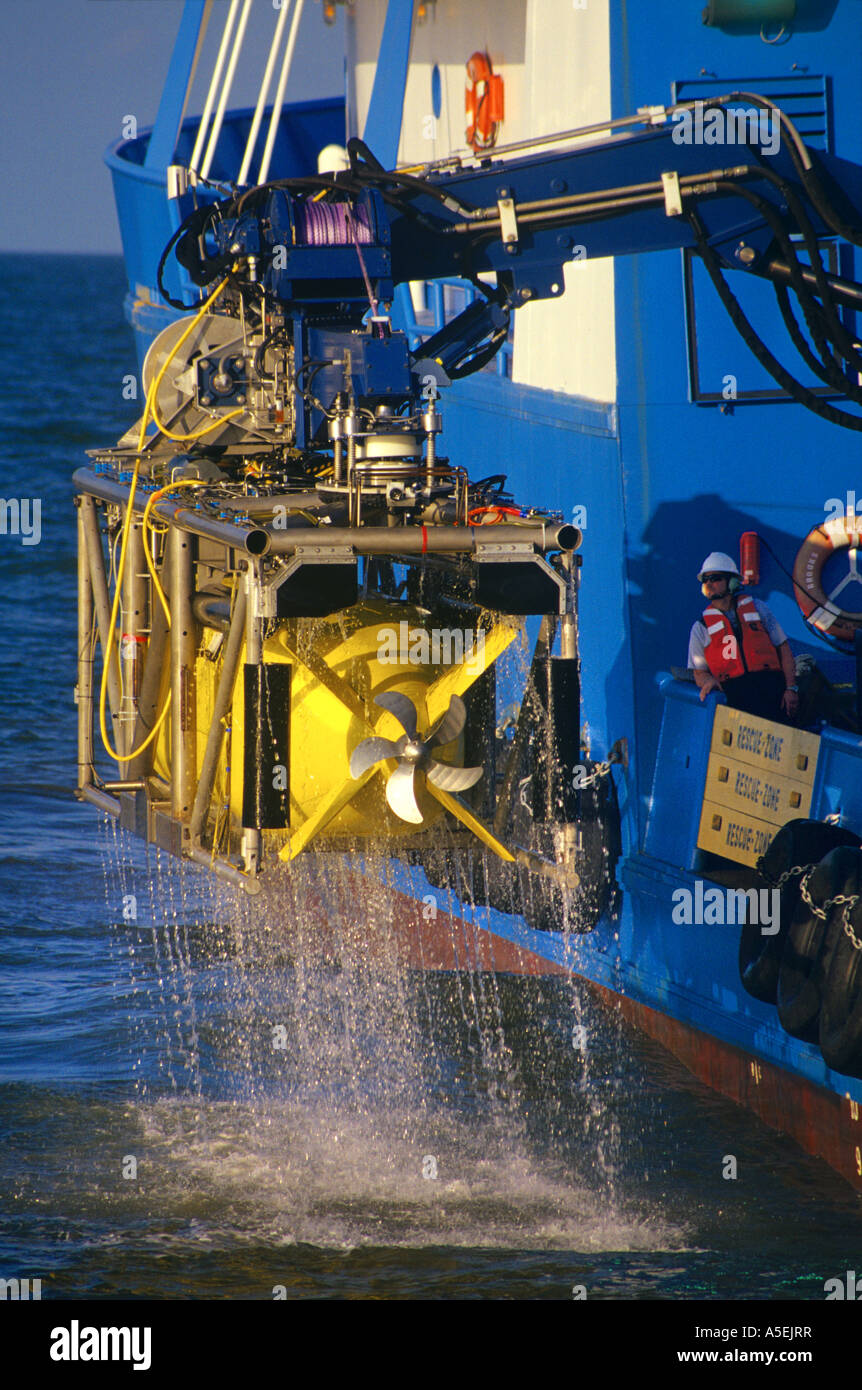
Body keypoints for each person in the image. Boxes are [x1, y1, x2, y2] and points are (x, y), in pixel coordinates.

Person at [688, 552, 799, 722]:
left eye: (716, 578)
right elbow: (699, 673)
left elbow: (783, 648)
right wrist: (708, 681)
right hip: (735, 702)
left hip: (773, 694)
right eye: (705, 580)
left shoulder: (759, 609)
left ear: (732, 582)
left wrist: (791, 688)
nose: (709, 583)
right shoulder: (700, 628)